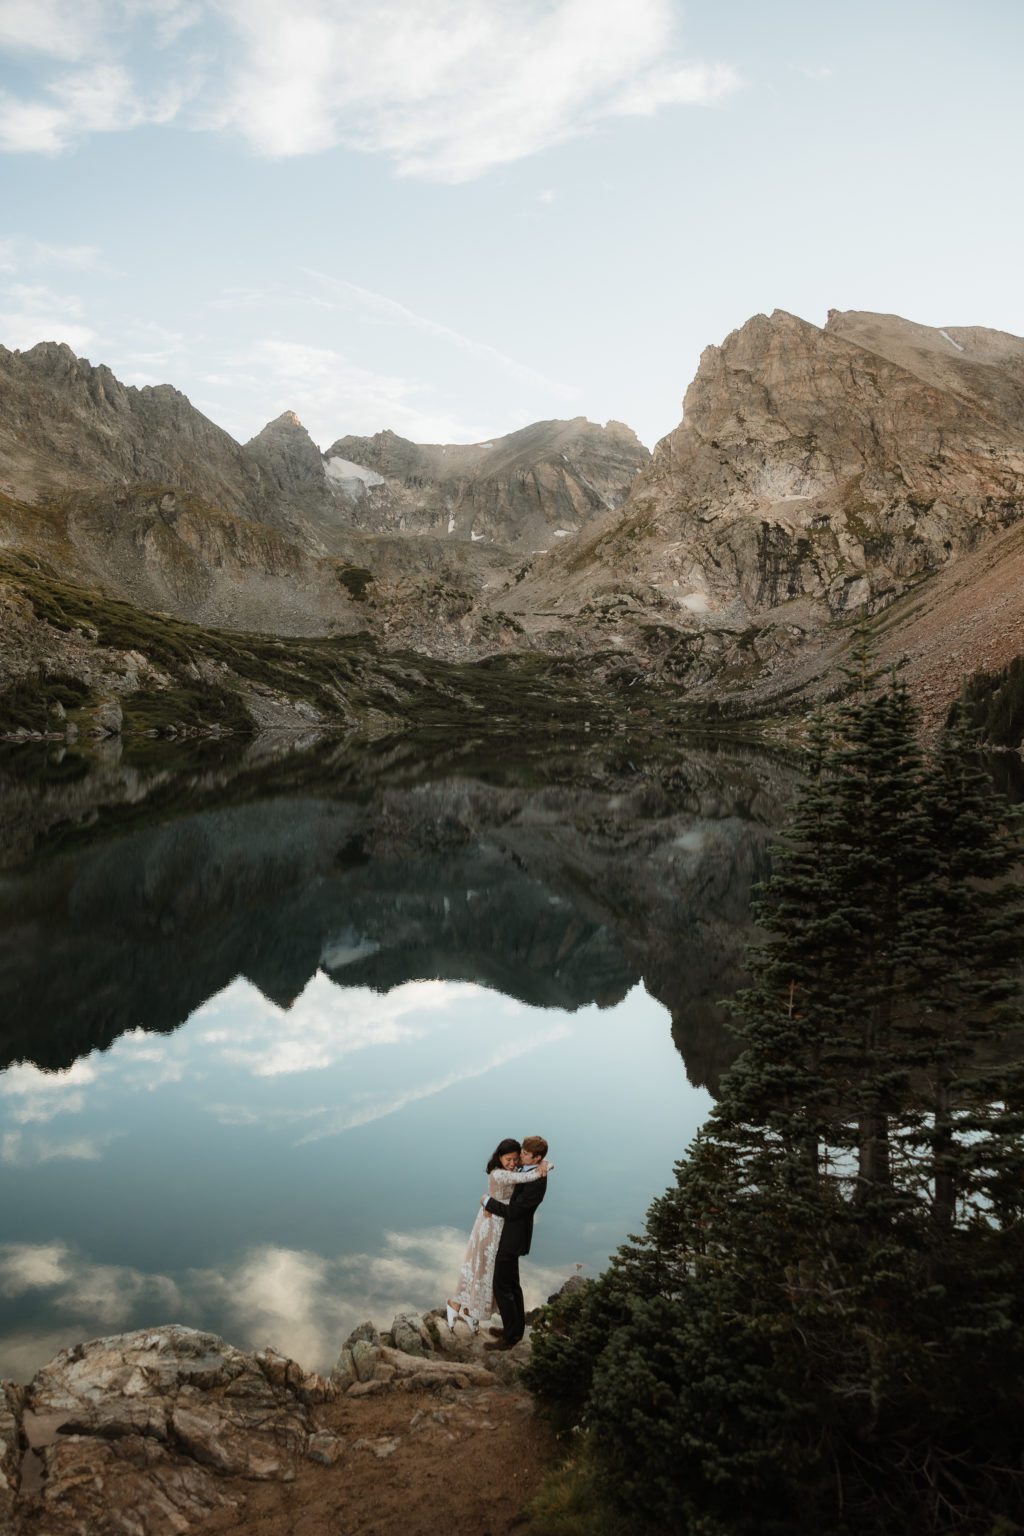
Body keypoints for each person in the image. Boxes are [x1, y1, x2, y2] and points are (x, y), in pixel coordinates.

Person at [446, 1137, 552, 1336]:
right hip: (493, 1227)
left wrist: (486, 1200)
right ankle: (463, 1307)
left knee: (496, 1278)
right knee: (484, 1270)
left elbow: (514, 1208)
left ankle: (500, 1327)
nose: (517, 1160)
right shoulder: (510, 1170)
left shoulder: (531, 1172)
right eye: (513, 1157)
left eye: (521, 1156)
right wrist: (487, 1201)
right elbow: (522, 1176)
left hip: (507, 1231)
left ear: (534, 1158)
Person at [483, 1134, 550, 1352]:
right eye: (521, 1152)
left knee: (502, 1285)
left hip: (514, 1237)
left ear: (536, 1158)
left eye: (525, 1154)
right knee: (512, 1284)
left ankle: (510, 1337)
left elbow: (513, 1212)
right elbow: (511, 1162)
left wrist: (488, 1202)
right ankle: (514, 1330)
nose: (520, 1157)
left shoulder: (537, 1182)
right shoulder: (531, 1166)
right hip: (508, 1234)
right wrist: (547, 1163)